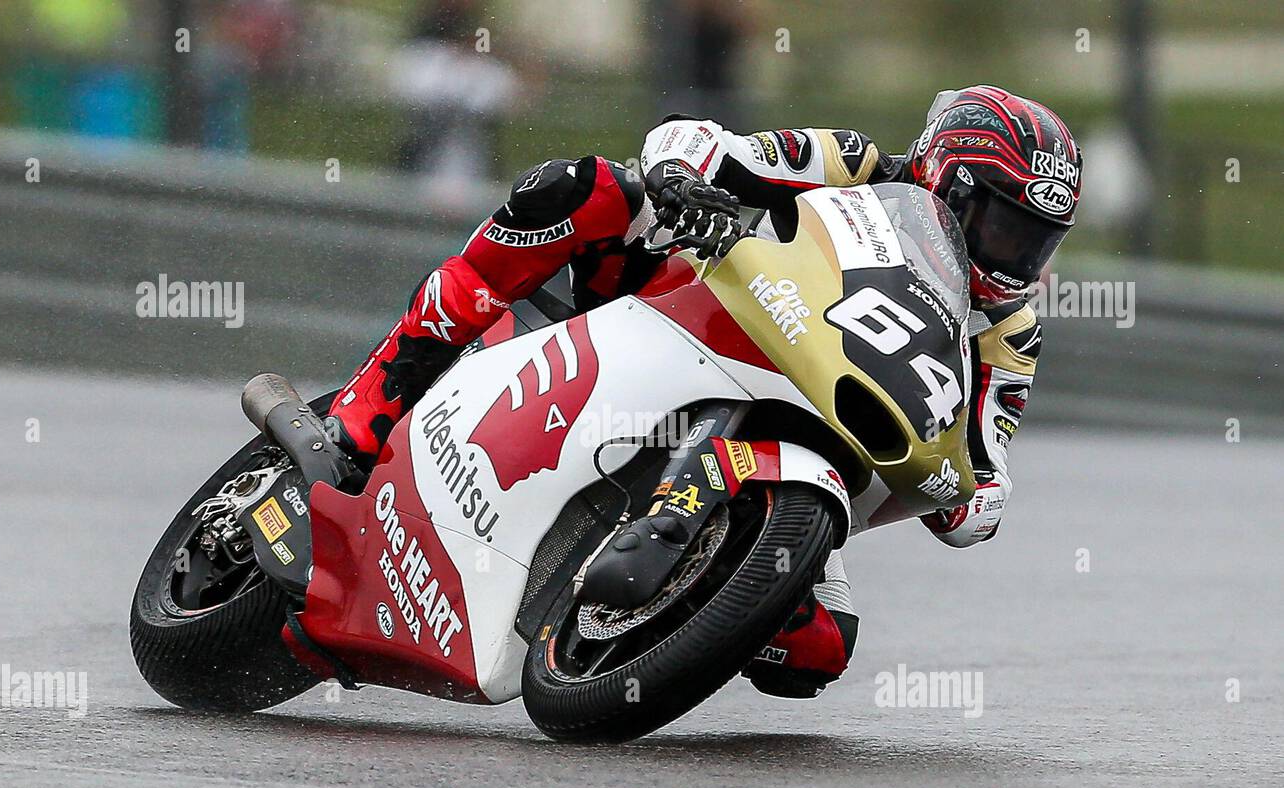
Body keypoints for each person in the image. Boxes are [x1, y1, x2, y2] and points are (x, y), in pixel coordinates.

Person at [325, 85, 1083, 699]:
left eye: (1035, 241)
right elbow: (706, 141)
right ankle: (371, 404)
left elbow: (989, 456)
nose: (1014, 258)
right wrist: (687, 177)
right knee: (582, 190)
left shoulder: (1010, 332)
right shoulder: (857, 164)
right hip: (691, 315)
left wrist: (974, 497)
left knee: (818, 651)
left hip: (811, 440)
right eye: (1003, 228)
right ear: (947, 179)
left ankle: (679, 604)